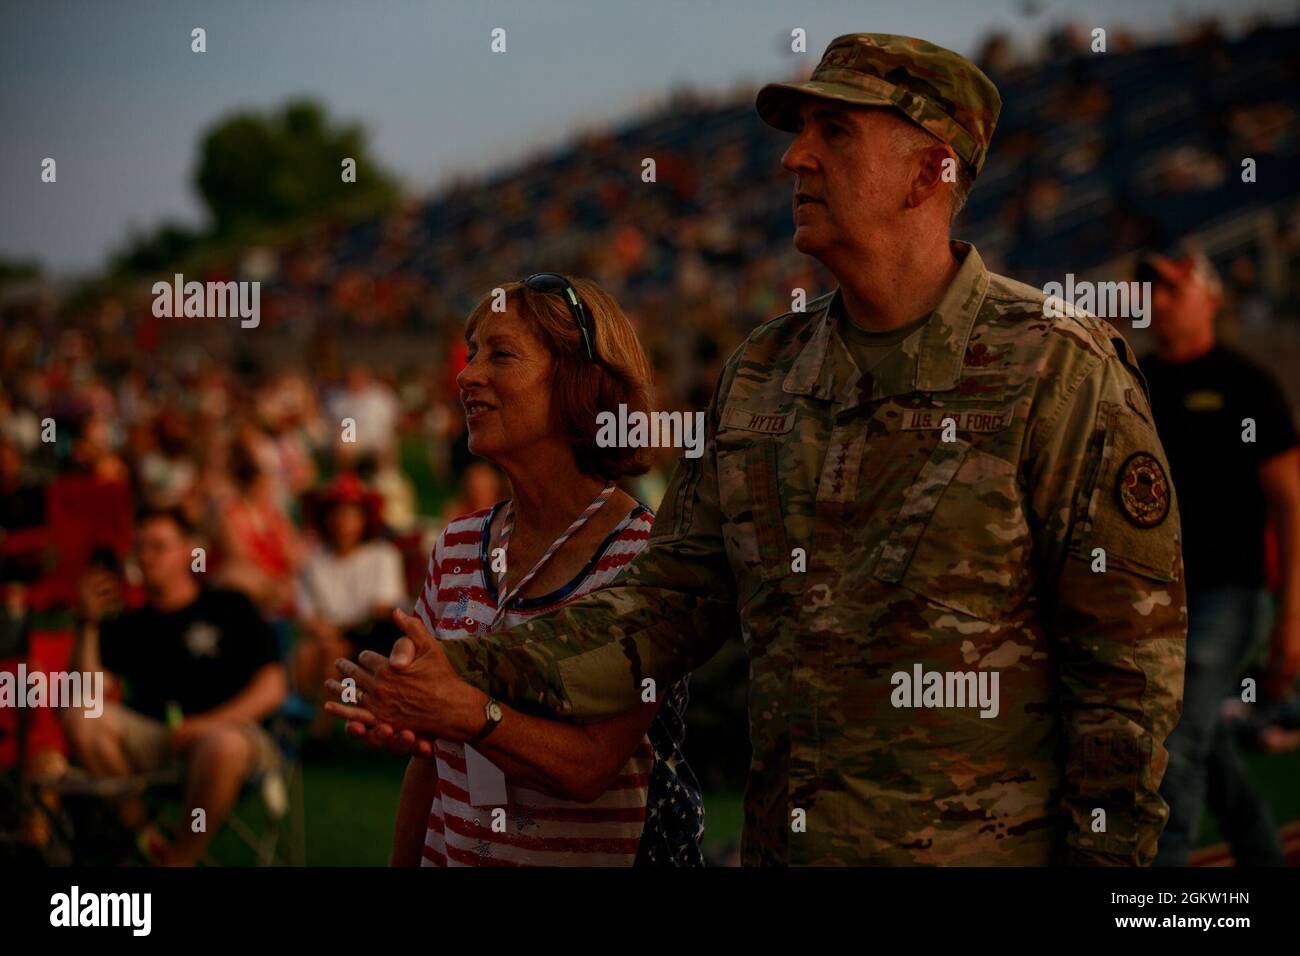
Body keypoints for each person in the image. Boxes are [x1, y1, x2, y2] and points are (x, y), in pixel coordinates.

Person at [336, 34, 1187, 866]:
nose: (795, 160)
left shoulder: (1056, 366)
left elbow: (1125, 678)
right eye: (799, 133)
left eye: (837, 132)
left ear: (934, 170)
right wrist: (460, 668)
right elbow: (659, 607)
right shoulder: (765, 373)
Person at [328, 275, 703, 866]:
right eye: (472, 353)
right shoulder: (457, 544)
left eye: (500, 355)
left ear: (581, 382)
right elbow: (427, 765)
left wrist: (465, 711)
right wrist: (414, 714)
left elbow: (588, 767)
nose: (467, 374)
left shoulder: (645, 557)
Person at [1137, 251, 1300, 865]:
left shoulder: (1246, 382)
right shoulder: (1136, 380)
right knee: (1207, 748)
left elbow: (1290, 500)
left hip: (1229, 593)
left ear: (1210, 297)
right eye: (1149, 290)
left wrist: (1291, 616)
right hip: (1158, 600)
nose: (1156, 301)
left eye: (1172, 289)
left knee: (1173, 749)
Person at [63, 508, 288, 866]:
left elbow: (272, 687)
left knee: (224, 745)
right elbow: (88, 690)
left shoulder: (230, 605)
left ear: (189, 551)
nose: (147, 556)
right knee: (81, 714)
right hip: (160, 740)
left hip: (231, 736)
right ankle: (145, 833)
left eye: (158, 546)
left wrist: (209, 724)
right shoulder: (129, 623)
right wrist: (88, 623)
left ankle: (178, 861)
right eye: (140, 547)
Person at [294, 473, 406, 727]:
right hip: (330, 637)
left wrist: (335, 630)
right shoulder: (314, 562)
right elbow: (307, 616)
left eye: (351, 515)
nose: (343, 523)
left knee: (331, 653)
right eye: (336, 514)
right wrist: (325, 631)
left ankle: (317, 732)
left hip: (371, 638)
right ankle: (315, 724)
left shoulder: (382, 555)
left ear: (364, 520)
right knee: (307, 654)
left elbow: (381, 609)